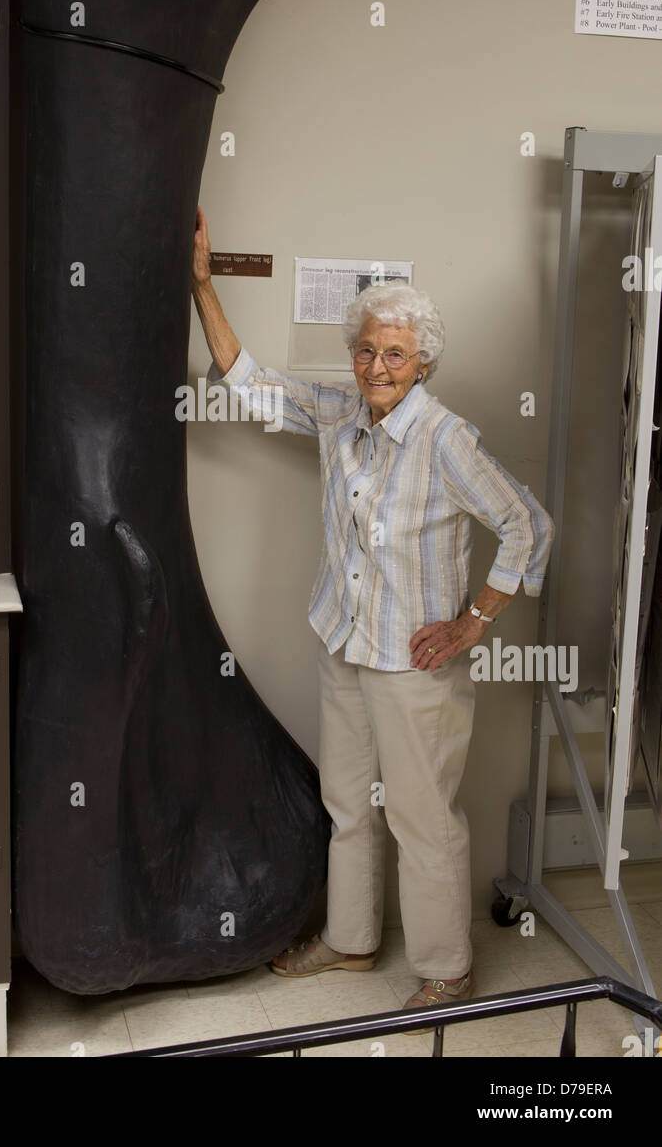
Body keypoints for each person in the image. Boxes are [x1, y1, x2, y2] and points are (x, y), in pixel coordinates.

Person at [191, 205, 554, 1023]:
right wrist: (201, 284)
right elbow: (245, 380)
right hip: (344, 642)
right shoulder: (337, 416)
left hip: (414, 663)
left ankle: (446, 969)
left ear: (422, 363)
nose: (377, 366)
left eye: (395, 354)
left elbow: (527, 523)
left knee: (423, 818)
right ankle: (351, 941)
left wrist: (476, 620)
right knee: (349, 805)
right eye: (366, 350)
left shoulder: (447, 440)